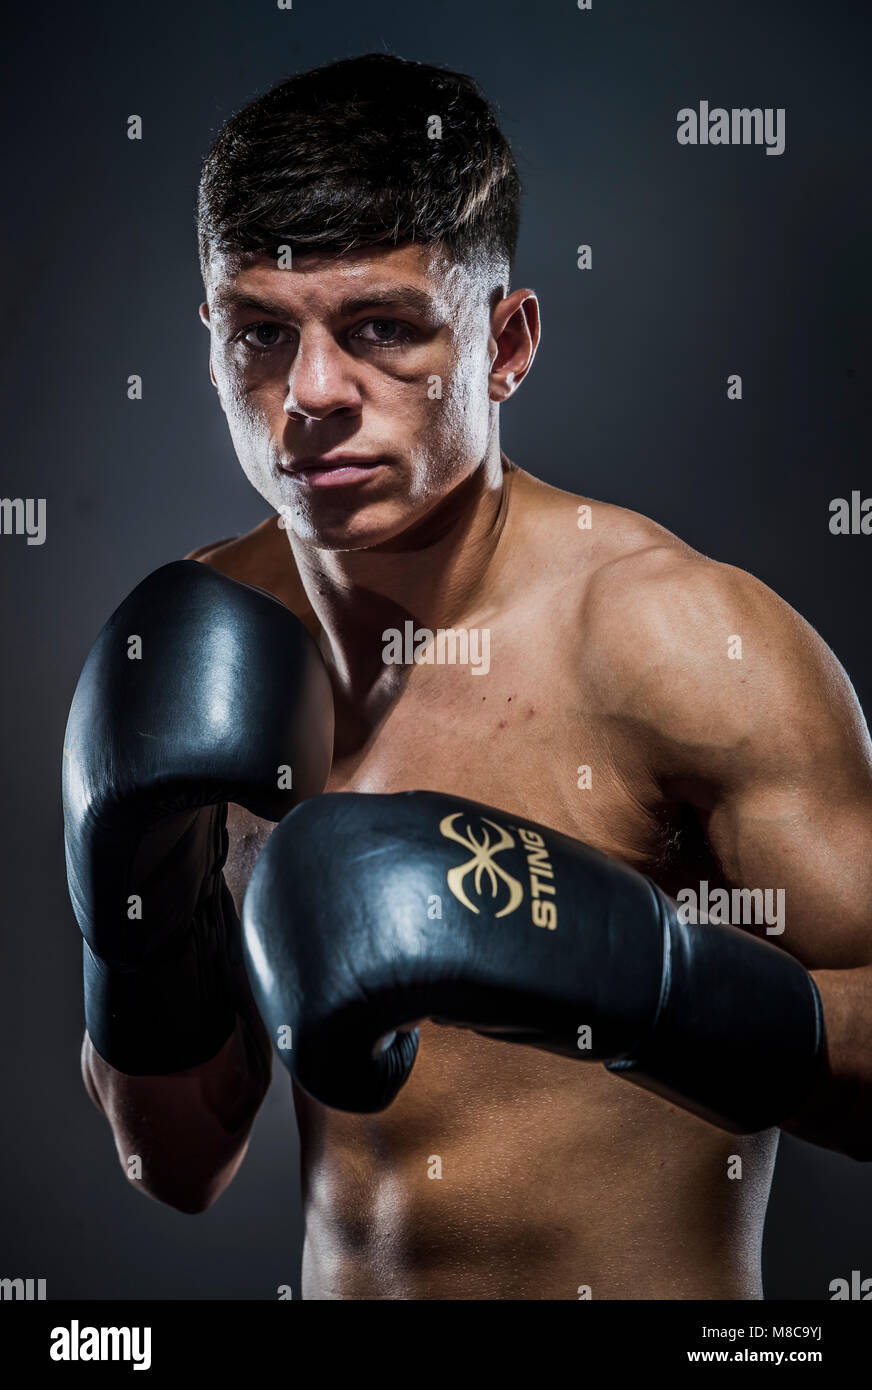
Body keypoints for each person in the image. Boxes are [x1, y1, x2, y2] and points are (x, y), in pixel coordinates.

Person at [69, 53, 872, 1300]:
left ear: (505, 343)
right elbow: (174, 1160)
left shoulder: (670, 639)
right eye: (261, 335)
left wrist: (652, 985)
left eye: (383, 328)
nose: (311, 397)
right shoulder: (197, 650)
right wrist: (131, 923)